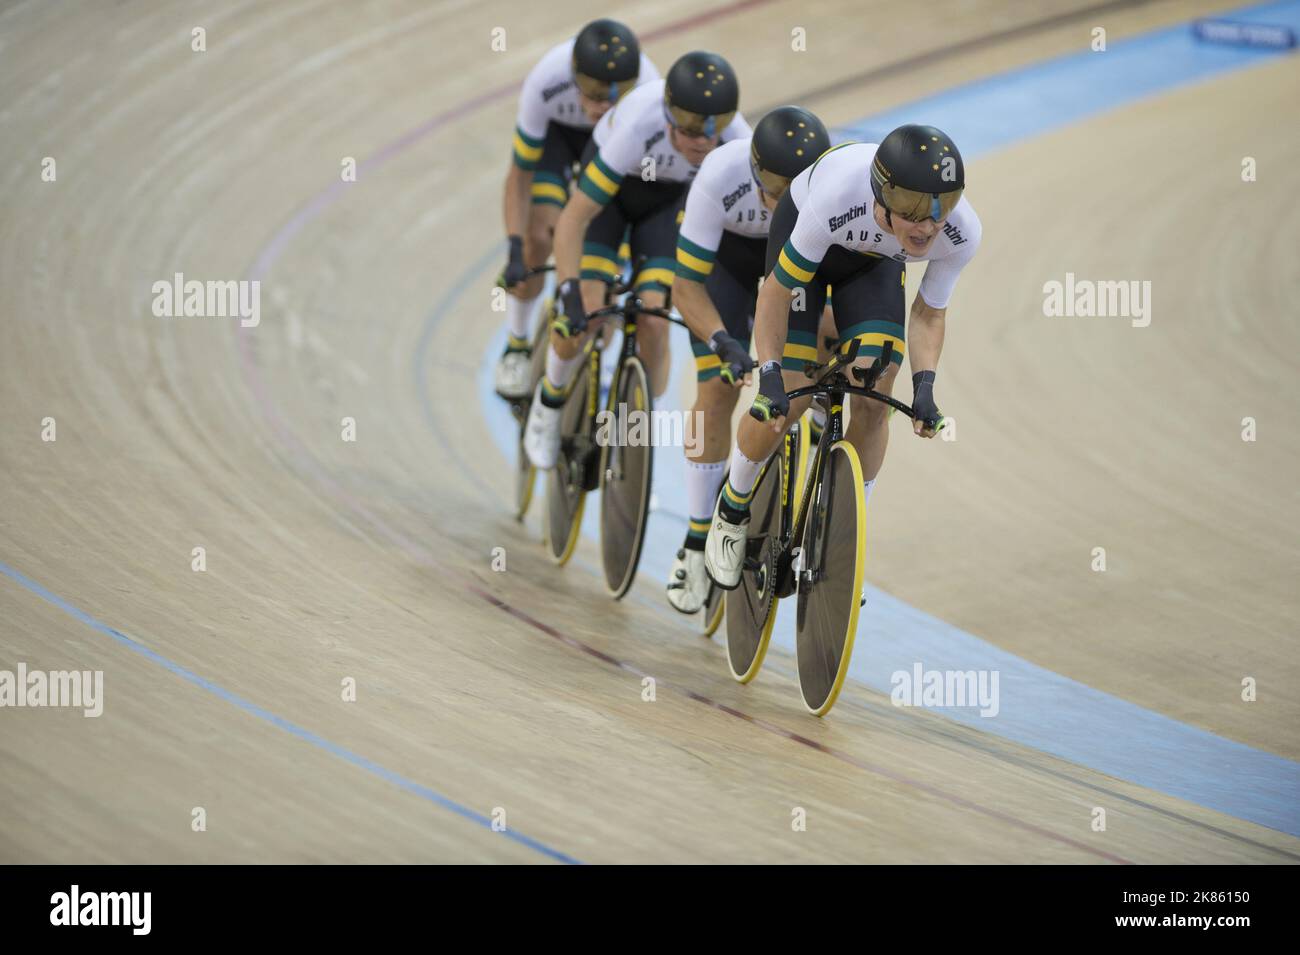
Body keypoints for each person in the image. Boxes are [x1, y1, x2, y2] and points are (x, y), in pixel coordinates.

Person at [703, 124, 982, 589]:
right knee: (787, 399)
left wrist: (926, 387)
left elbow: (929, 314)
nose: (929, 225)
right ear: (882, 195)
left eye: (942, 207)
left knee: (874, 393)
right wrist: (770, 372)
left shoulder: (961, 232)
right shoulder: (834, 199)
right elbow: (775, 294)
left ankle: (843, 530)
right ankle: (732, 507)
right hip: (806, 246)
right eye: (914, 211)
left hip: (872, 264)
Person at [523, 50, 752, 469]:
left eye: (712, 129)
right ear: (667, 116)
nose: (702, 140)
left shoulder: (737, 140)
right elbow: (575, 218)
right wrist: (570, 288)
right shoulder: (637, 125)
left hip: (665, 208)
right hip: (610, 198)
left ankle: (639, 421)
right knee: (587, 310)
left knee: (653, 317)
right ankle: (549, 402)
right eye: (689, 128)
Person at [665, 106, 830, 614]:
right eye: (773, 189)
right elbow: (686, 284)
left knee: (817, 359)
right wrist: (723, 342)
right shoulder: (719, 175)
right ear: (754, 171)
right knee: (715, 387)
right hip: (733, 264)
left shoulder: (829, 192)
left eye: (793, 189)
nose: (782, 201)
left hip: (795, 265)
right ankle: (697, 537)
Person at [495, 19, 659, 399]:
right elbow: (520, 175)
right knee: (541, 235)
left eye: (613, 96)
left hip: (616, 148)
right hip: (561, 140)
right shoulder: (545, 81)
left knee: (606, 261)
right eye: (593, 93)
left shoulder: (651, 91)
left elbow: (641, 195)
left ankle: (595, 352)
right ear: (574, 77)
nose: (602, 105)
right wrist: (515, 247)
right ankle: (517, 344)